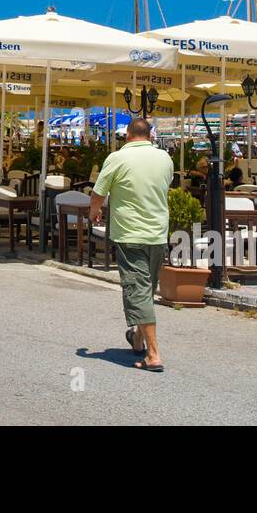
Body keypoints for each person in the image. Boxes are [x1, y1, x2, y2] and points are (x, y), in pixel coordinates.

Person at [90, 118, 172, 372]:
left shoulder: (117, 159)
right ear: (150, 135)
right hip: (158, 233)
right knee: (147, 289)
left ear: (127, 135)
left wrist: (95, 211)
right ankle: (138, 338)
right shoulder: (165, 159)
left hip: (130, 233)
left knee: (137, 290)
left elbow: (98, 193)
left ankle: (153, 354)